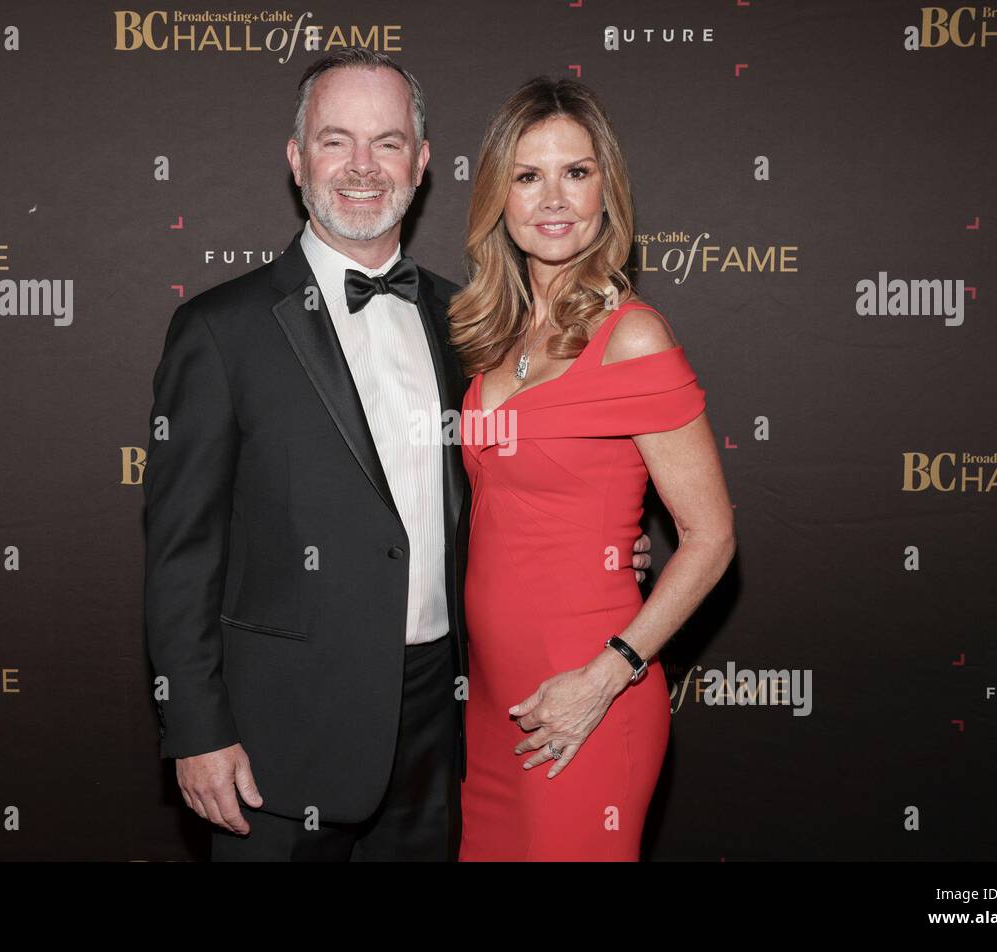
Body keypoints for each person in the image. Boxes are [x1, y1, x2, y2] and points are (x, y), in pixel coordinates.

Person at [142, 49, 654, 861]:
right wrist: (196, 729)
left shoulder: (472, 323)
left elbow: (515, 482)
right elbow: (181, 553)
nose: (361, 168)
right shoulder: (220, 330)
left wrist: (604, 535)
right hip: (279, 739)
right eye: (335, 139)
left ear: (421, 163)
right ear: (296, 157)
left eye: (387, 143)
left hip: (447, 721)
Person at [450, 76, 737, 861]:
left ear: (607, 190)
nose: (554, 198)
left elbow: (710, 537)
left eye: (576, 172)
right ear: (497, 198)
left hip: (587, 697)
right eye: (528, 175)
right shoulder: (497, 341)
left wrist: (606, 677)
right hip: (495, 702)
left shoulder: (634, 336)